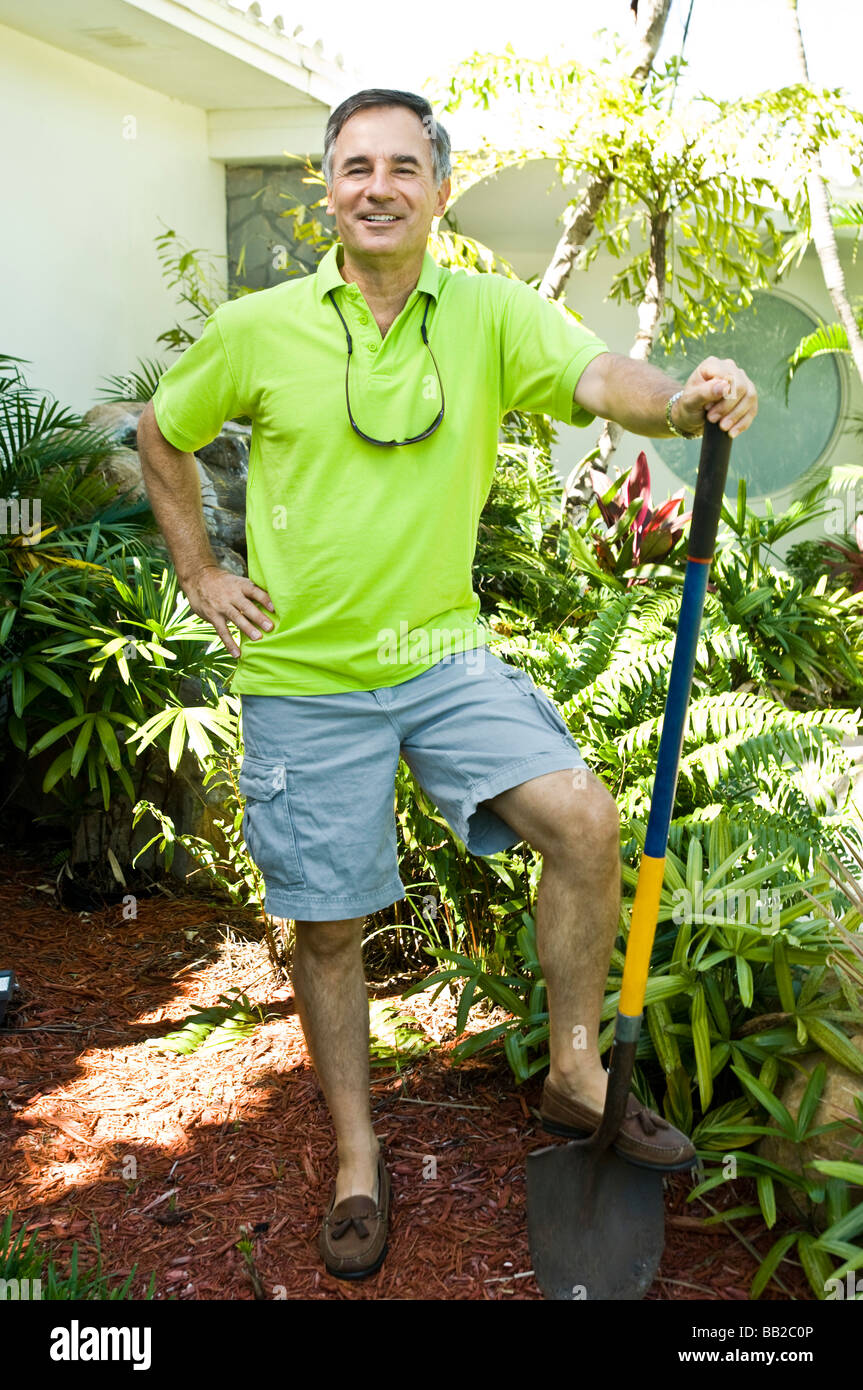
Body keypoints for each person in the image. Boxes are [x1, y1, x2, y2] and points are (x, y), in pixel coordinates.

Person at [137, 88, 758, 1282]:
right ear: (327, 187)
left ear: (437, 189)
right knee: (329, 926)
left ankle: (576, 1072)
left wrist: (679, 400)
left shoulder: (481, 313)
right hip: (305, 676)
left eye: (402, 167)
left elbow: (597, 377)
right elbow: (164, 435)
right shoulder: (259, 327)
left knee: (579, 816)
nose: (377, 186)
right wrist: (201, 569)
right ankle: (359, 1159)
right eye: (355, 165)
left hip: (441, 654)